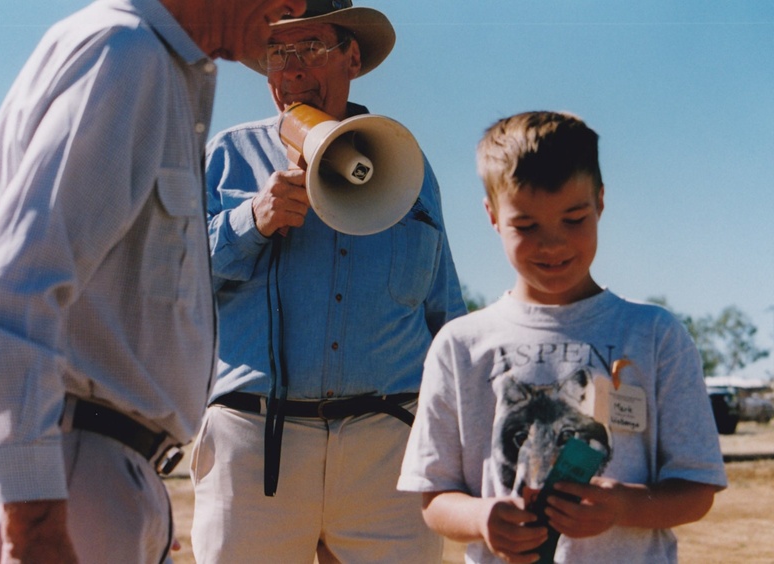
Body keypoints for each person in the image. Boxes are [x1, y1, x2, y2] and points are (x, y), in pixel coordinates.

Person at [0, 0, 305, 562]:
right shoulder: (125, 56)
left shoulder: (147, 62)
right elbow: (12, 296)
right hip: (73, 478)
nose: (296, 7)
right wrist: (35, 525)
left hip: (94, 475)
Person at [189, 1, 467, 561]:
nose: (290, 69)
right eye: (275, 51)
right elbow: (174, 288)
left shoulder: (404, 164)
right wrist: (251, 221)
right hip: (252, 444)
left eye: (310, 48)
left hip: (389, 450)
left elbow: (446, 316)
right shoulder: (227, 157)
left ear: (353, 59)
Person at [398, 111, 728, 563]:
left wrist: (624, 507)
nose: (552, 245)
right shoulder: (459, 345)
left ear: (601, 202)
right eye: (526, 226)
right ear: (492, 215)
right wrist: (482, 518)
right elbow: (434, 499)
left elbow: (697, 488)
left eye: (574, 218)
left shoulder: (656, 336)